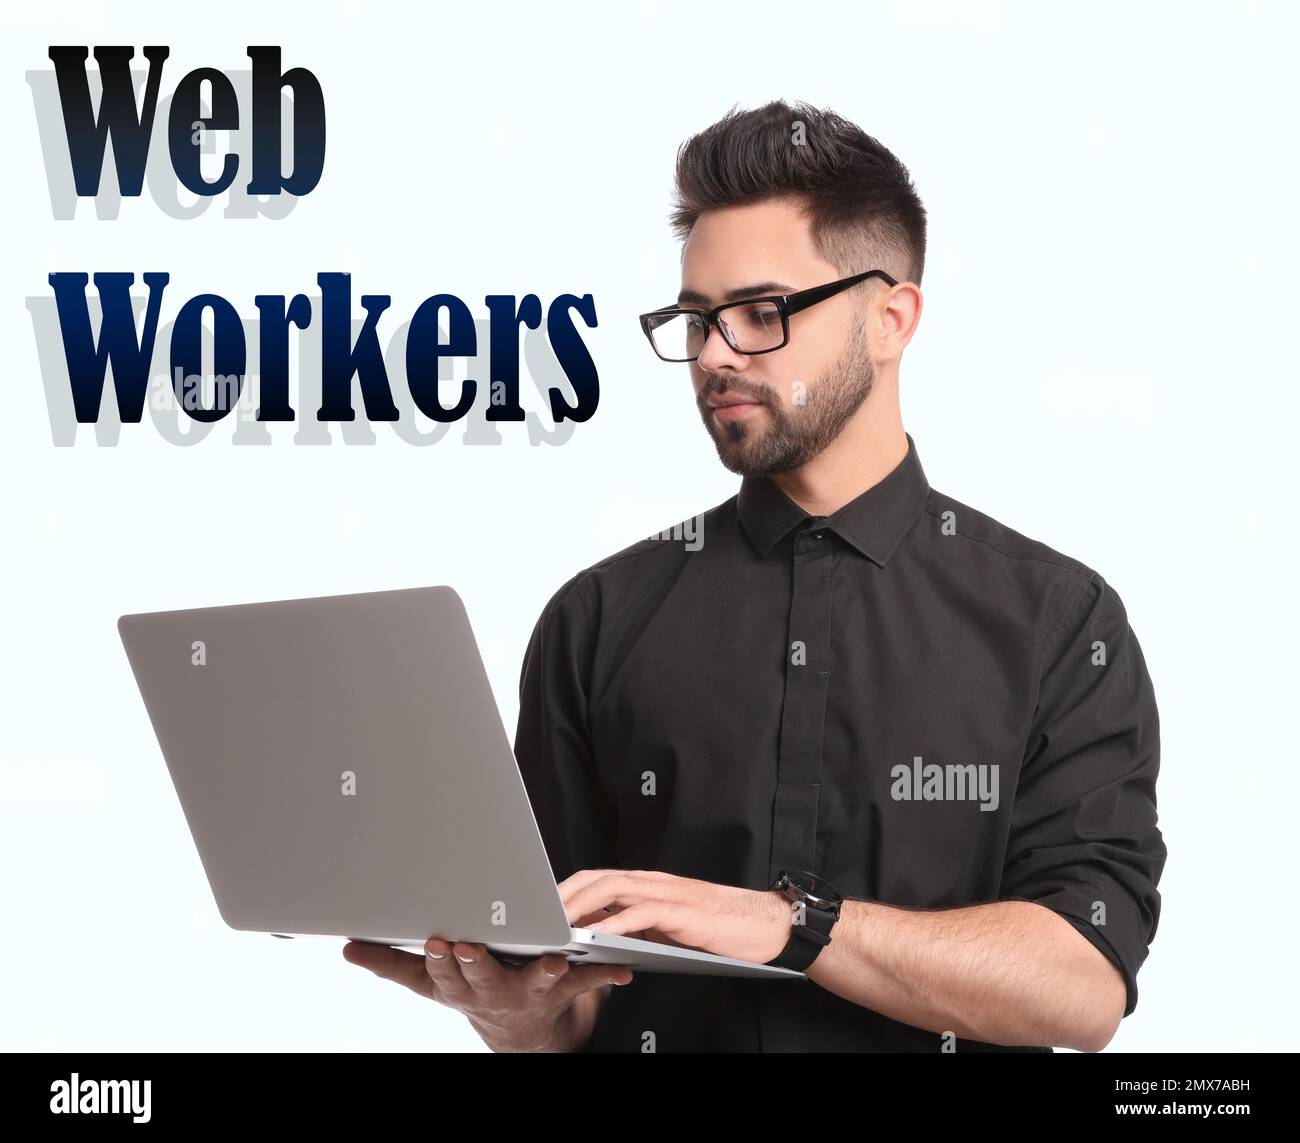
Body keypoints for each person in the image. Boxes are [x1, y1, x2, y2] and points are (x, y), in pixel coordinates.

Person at [344, 99, 1166, 1053]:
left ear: (891, 317)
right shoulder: (597, 619)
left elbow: (1081, 985)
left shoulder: (1059, 623)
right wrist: (510, 1009)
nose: (716, 356)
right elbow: (565, 1001)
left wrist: (793, 924)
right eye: (695, 320)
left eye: (762, 314)